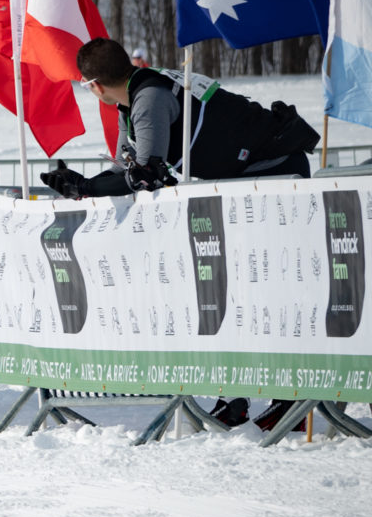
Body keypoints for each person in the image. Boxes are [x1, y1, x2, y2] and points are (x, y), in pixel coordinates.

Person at [46, 36, 320, 432]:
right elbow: (130, 168)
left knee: (264, 287)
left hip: (273, 168)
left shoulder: (150, 98)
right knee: (230, 290)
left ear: (94, 85)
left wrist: (87, 188)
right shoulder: (134, 99)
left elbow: (147, 174)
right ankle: (236, 395)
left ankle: (292, 400)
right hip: (246, 175)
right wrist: (84, 183)